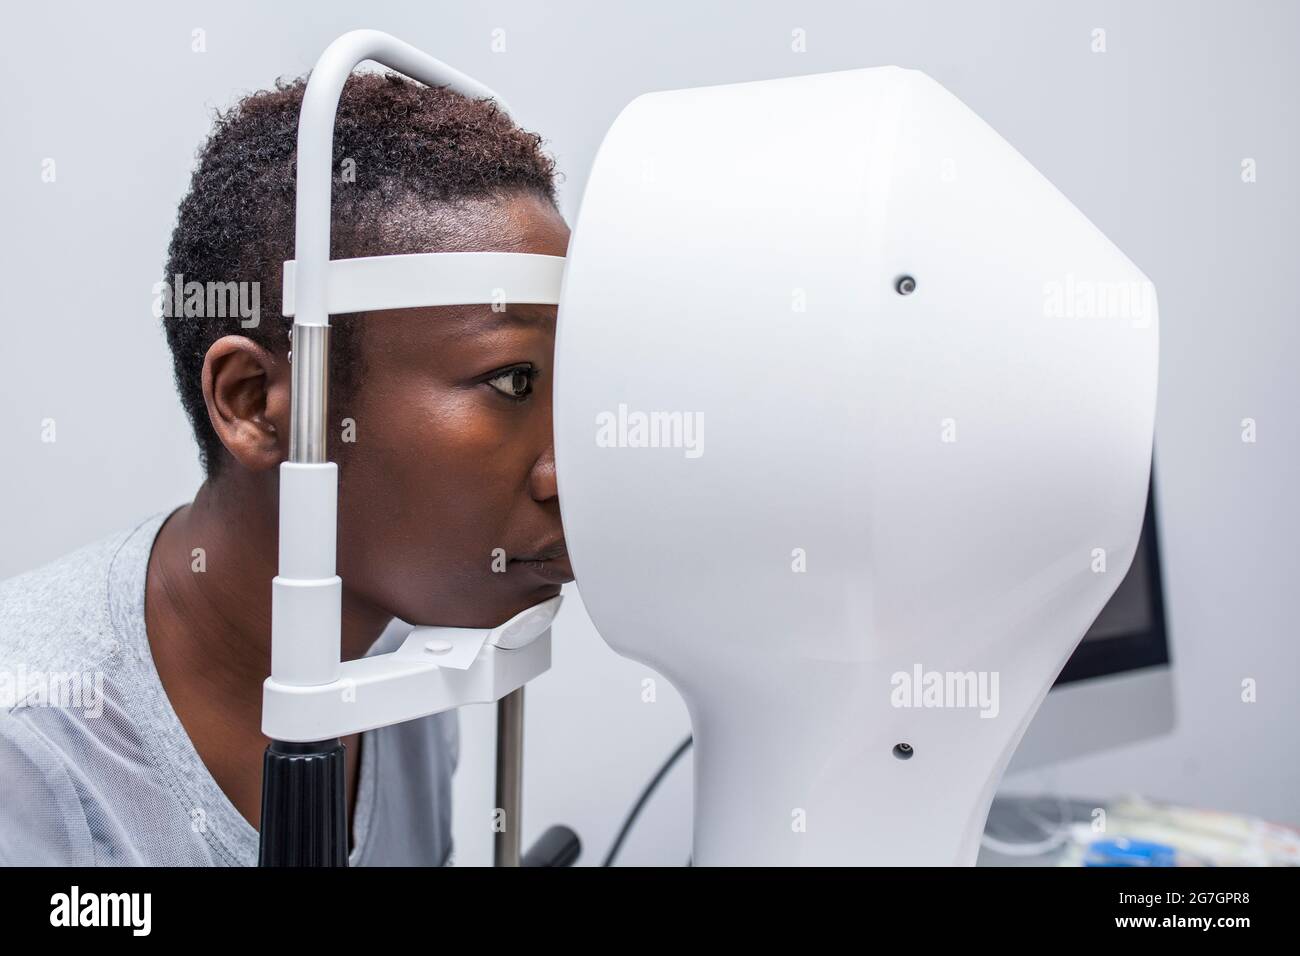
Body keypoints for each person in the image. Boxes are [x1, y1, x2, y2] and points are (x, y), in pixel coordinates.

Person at [0, 71, 572, 865]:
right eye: (512, 382)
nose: (564, 471)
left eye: (572, 382)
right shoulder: (30, 745)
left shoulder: (406, 680)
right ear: (254, 403)